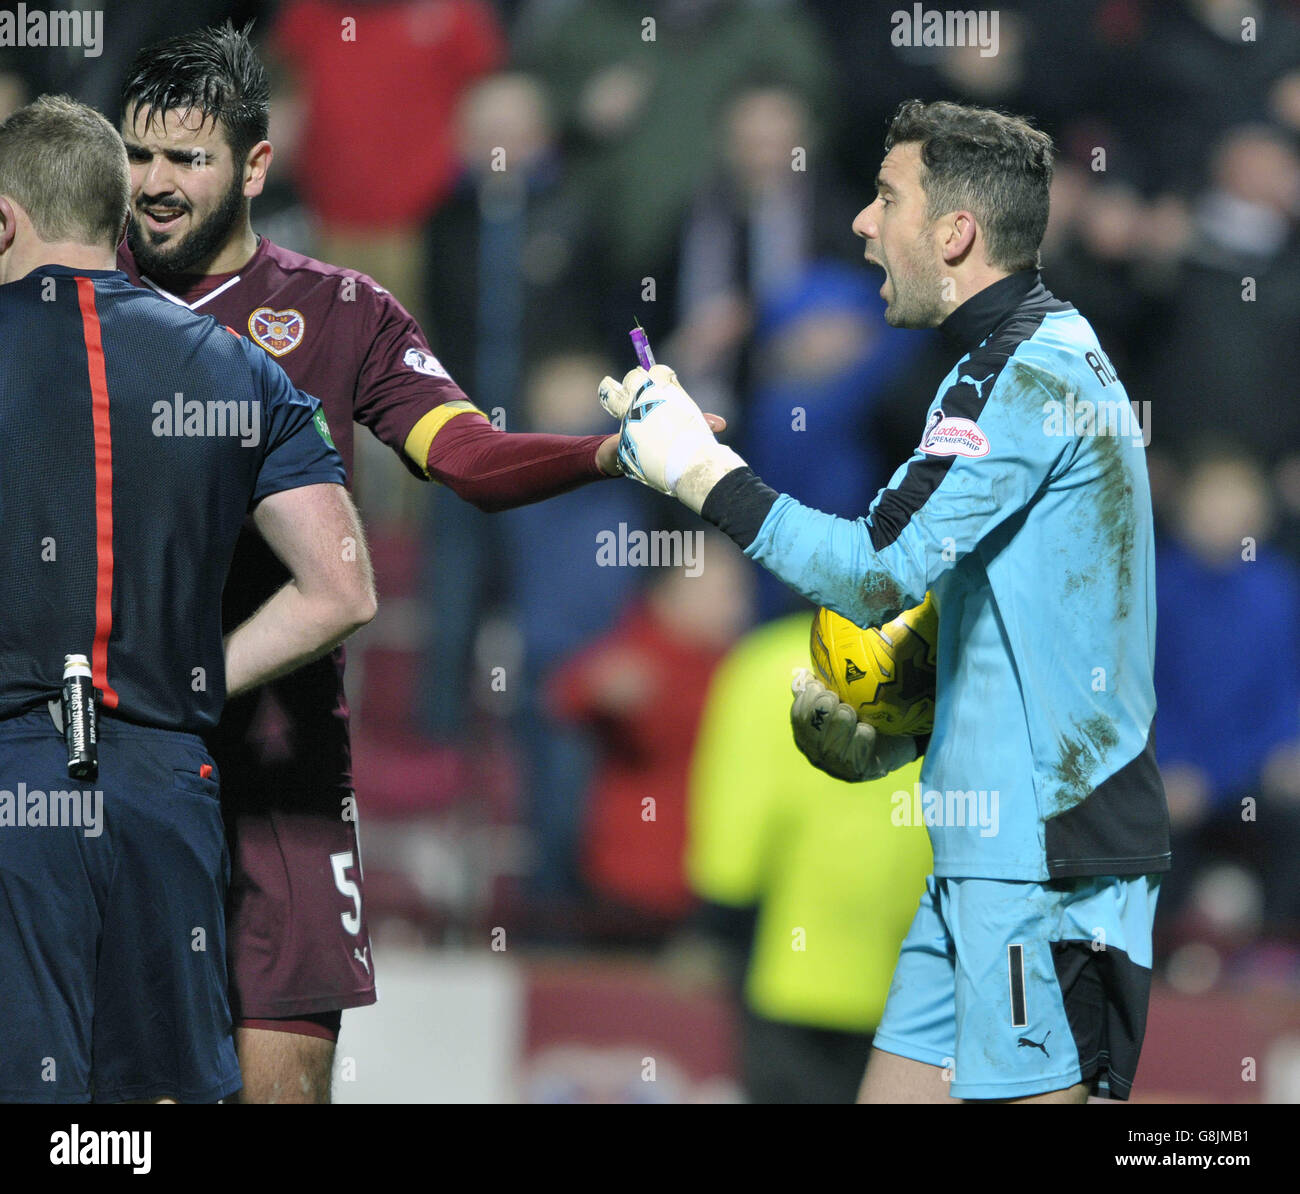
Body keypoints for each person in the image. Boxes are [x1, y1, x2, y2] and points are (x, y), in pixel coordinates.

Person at [114, 22, 719, 1103]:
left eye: (187, 159)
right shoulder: (70, 298)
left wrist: (608, 452)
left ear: (254, 165)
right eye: (140, 156)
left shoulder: (342, 312)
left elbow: (468, 454)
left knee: (285, 1087)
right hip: (112, 762)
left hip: (280, 769)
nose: (156, 185)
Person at [600, 99, 1170, 1103]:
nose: (861, 222)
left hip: (1047, 855)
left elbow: (871, 574)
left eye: (886, 197)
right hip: (981, 857)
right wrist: (913, 701)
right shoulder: (1028, 358)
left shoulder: (1022, 378)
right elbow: (1009, 594)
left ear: (953, 234)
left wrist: (697, 470)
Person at [0, 95, 374, 1102]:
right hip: (168, 783)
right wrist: (194, 681)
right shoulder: (245, 370)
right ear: (118, 215)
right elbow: (342, 589)